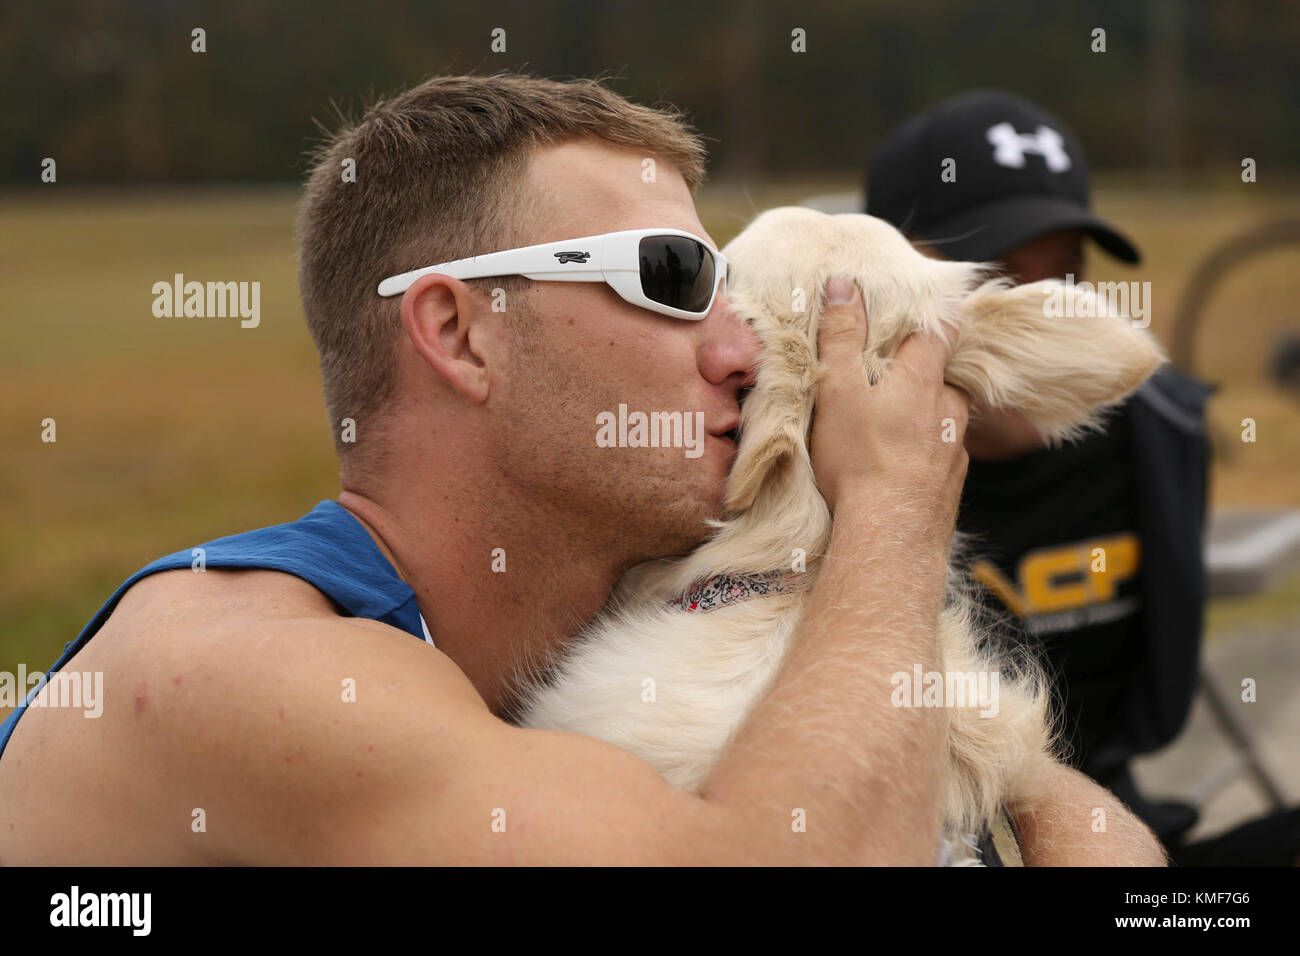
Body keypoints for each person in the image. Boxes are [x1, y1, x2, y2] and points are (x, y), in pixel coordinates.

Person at [0, 75, 1166, 865]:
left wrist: (1016, 774)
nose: (739, 347)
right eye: (671, 277)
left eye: (729, 284)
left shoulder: (542, 657)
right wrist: (894, 512)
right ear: (460, 334)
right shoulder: (256, 672)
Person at [867, 89, 1299, 866]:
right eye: (998, 276)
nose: (1049, 314)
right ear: (888, 280)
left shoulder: (1156, 433)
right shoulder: (828, 470)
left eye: (1067, 274)